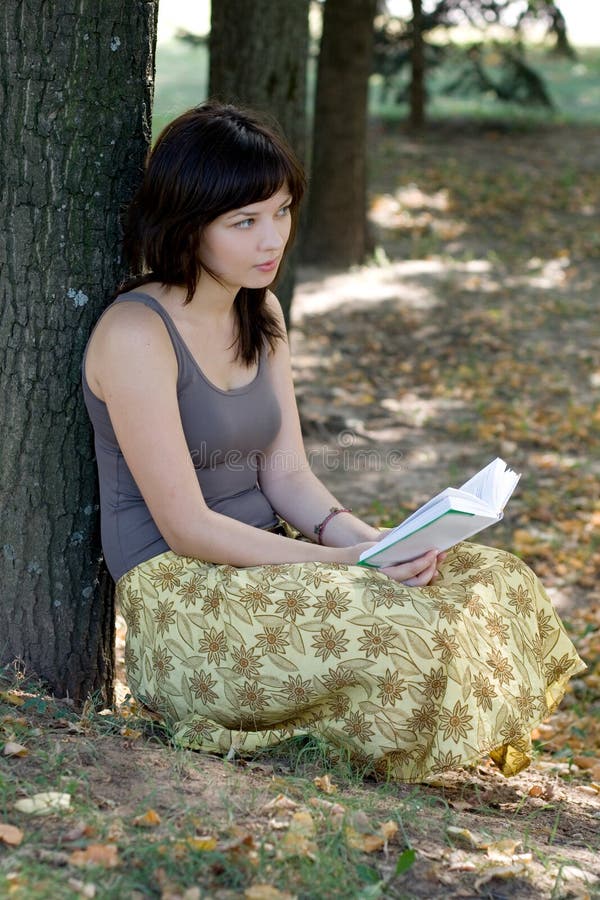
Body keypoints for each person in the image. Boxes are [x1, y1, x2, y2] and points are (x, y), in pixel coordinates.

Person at [82, 101, 584, 782]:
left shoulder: (259, 310)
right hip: (186, 600)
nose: (272, 239)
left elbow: (287, 475)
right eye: (245, 222)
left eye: (282, 211)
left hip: (271, 565)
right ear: (187, 223)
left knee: (494, 581)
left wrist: (381, 545)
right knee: (401, 628)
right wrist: (347, 562)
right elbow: (187, 526)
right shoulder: (136, 335)